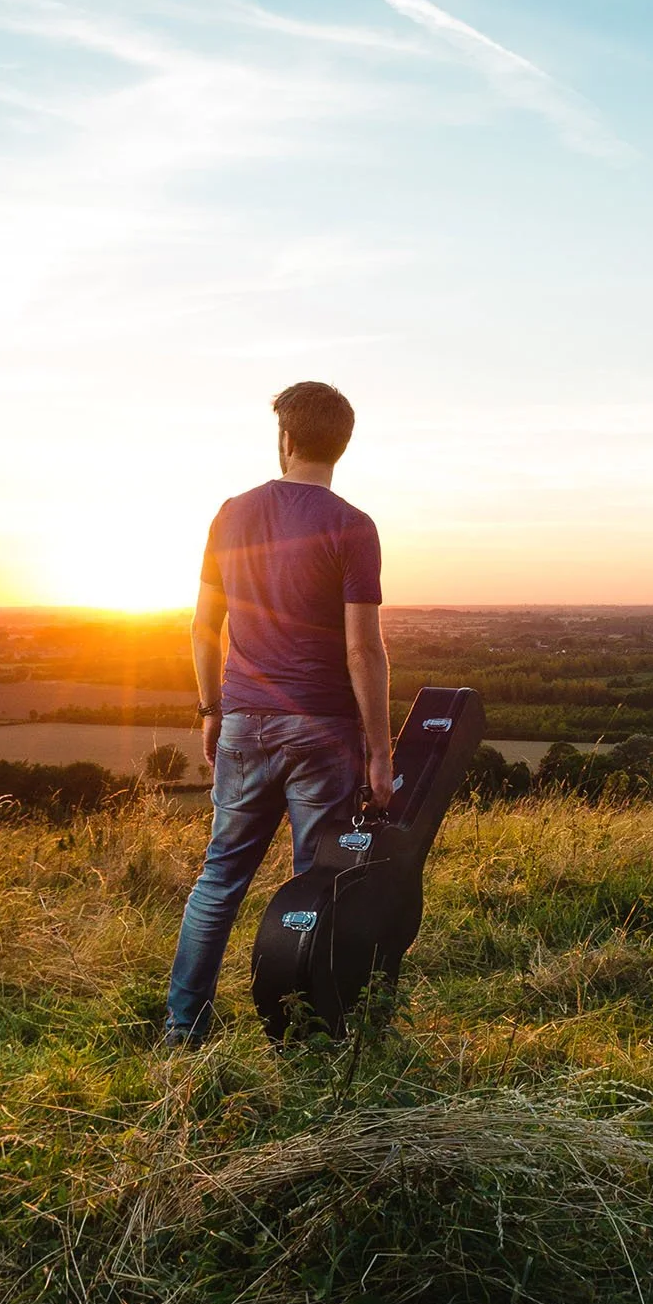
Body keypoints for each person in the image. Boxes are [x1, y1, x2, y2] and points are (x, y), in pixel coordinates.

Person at [164, 382, 393, 1045]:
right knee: (316, 885)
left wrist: (213, 707)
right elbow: (363, 651)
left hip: (242, 720)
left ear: (285, 440)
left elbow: (205, 627)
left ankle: (184, 1026)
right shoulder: (354, 525)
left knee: (220, 877)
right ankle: (303, 1027)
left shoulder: (232, 514)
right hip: (323, 730)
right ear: (340, 445)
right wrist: (380, 753)